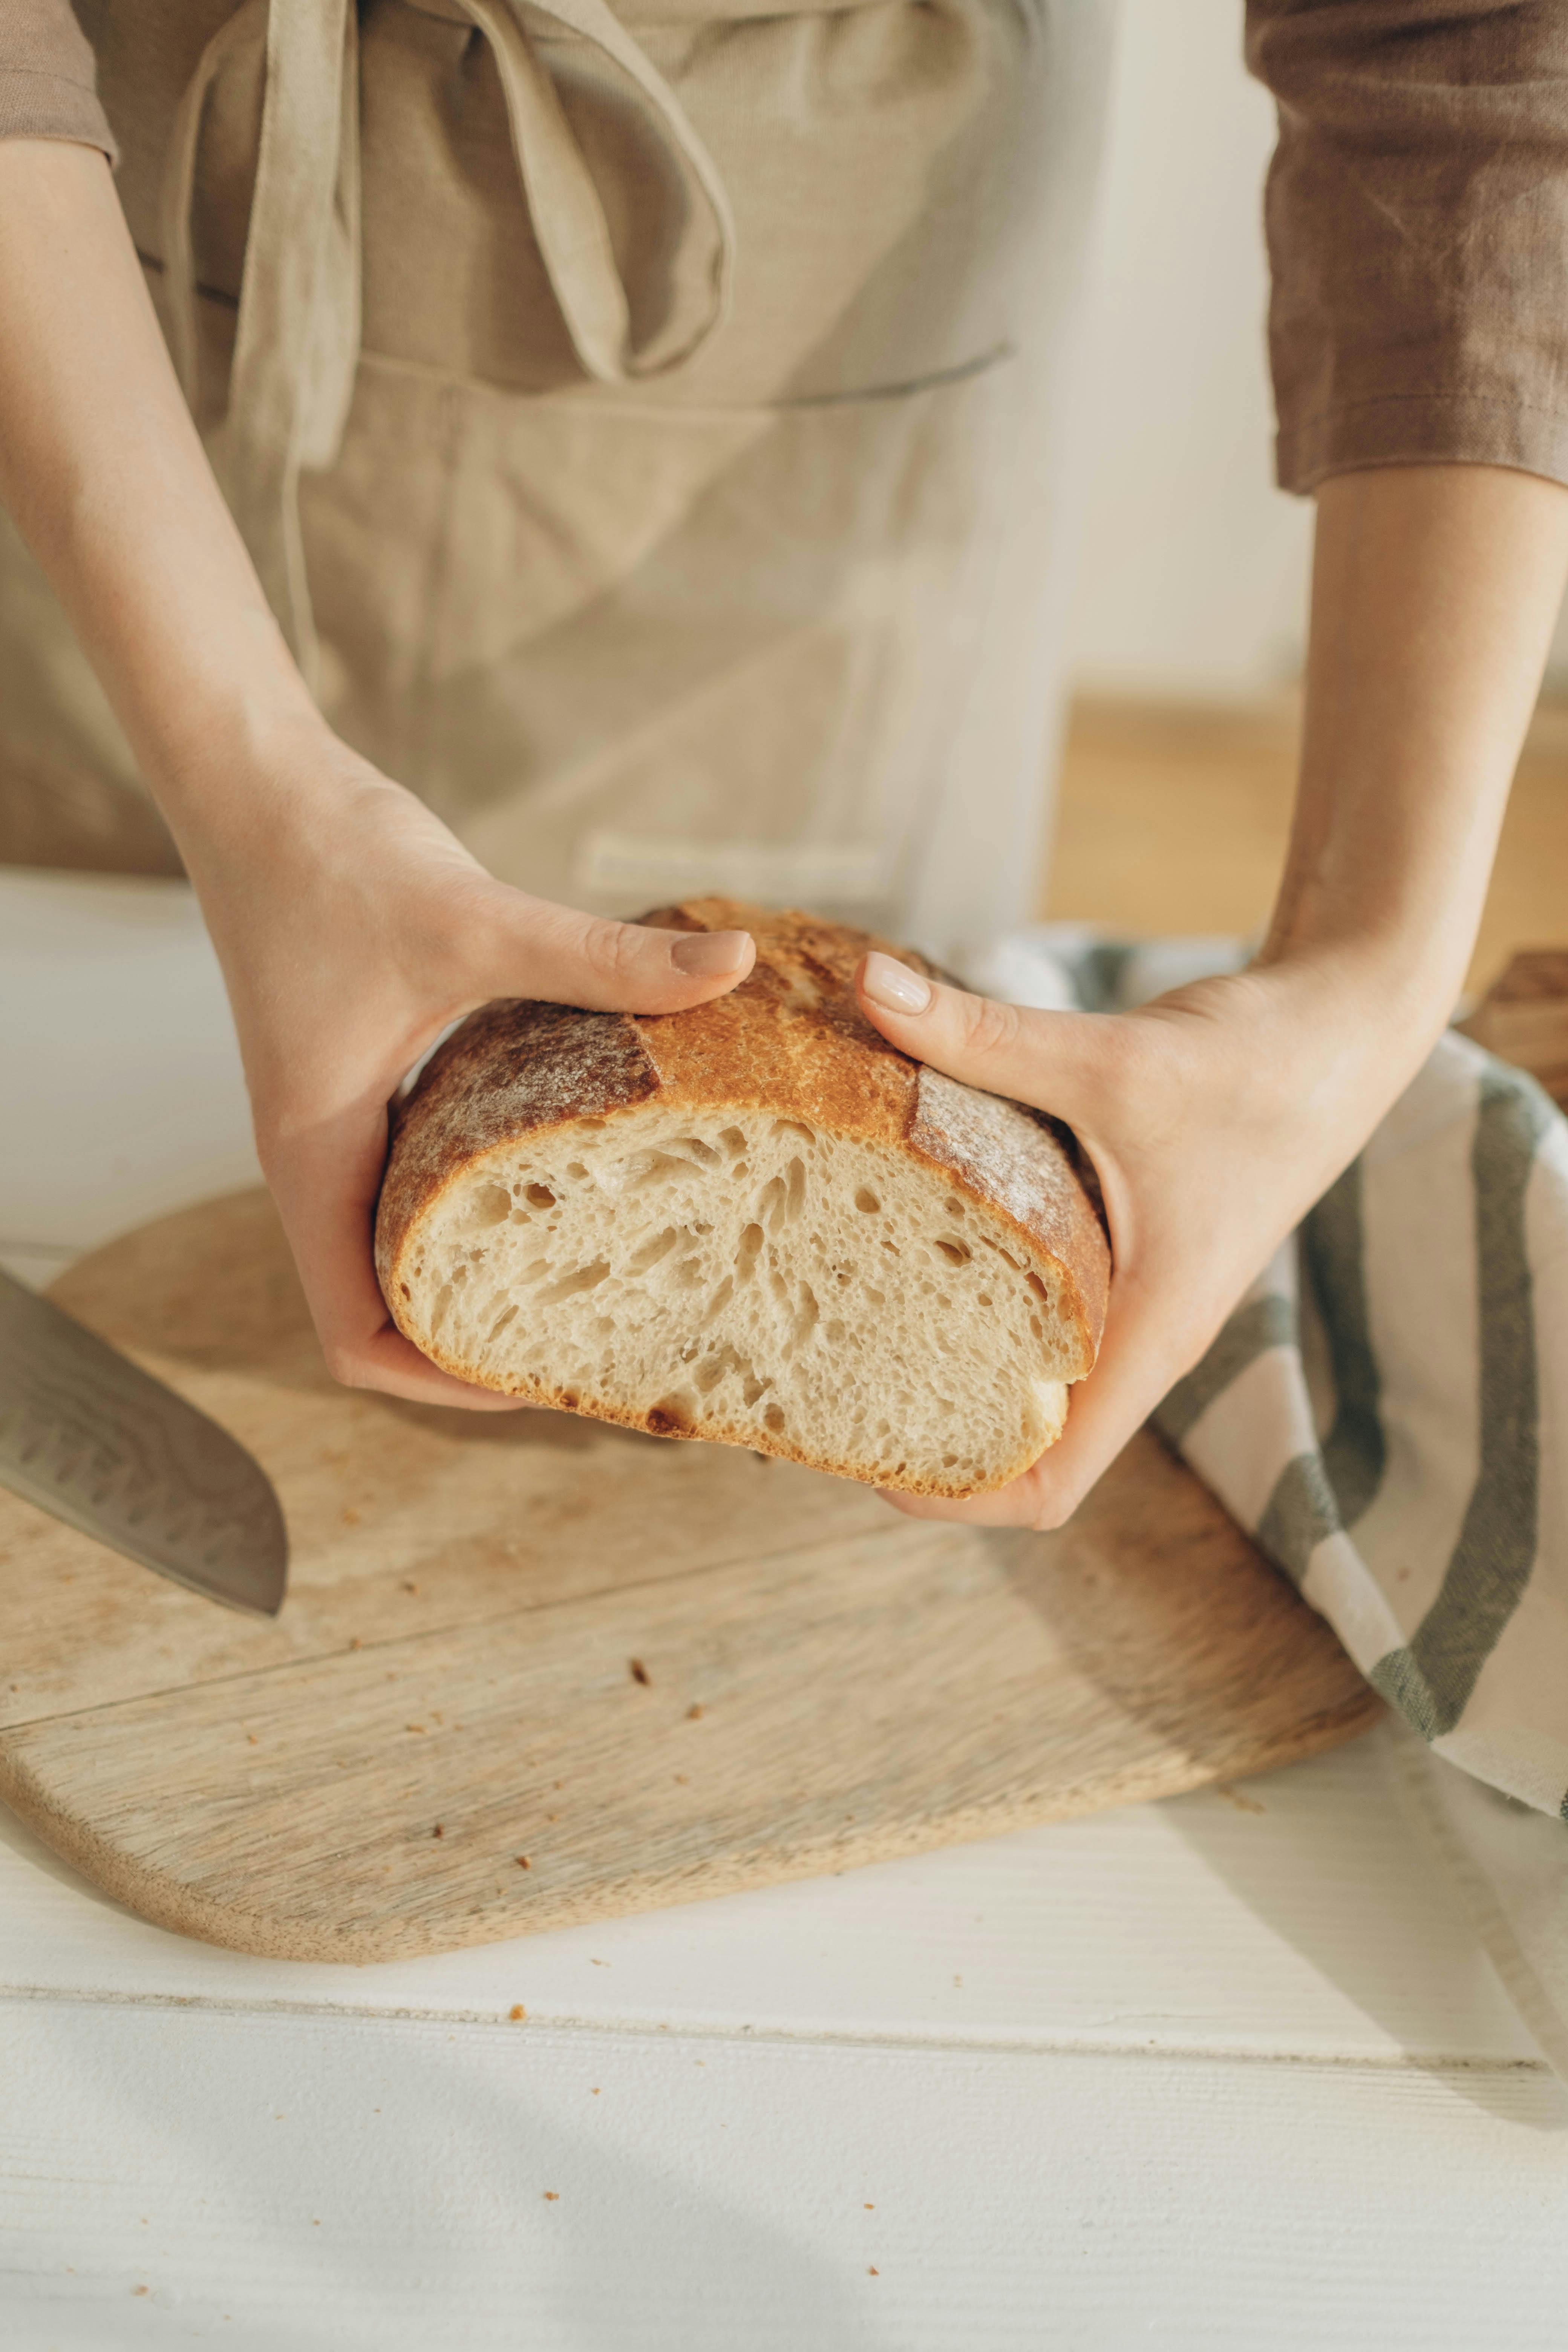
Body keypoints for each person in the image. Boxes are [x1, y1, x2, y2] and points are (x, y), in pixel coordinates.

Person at [2, 0, 1566, 1534]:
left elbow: (1468, 35)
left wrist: (1369, 970)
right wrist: (236, 765)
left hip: (823, 298)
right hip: (96, 333)